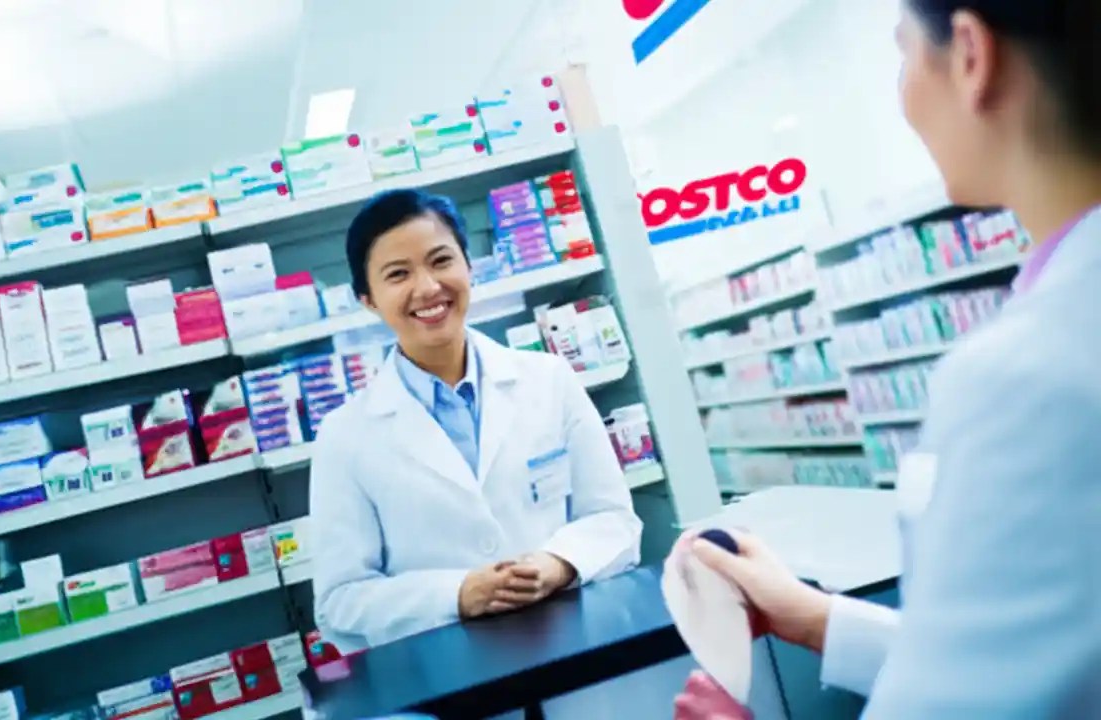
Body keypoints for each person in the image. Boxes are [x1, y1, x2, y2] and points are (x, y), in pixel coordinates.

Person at [675, 0, 1101, 717]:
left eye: (903, 54)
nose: (902, 96)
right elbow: (1023, 649)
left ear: (971, 55)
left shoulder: (1030, 371)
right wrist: (817, 618)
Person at [309, 188, 643, 652]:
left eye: (441, 260)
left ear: (468, 265)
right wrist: (458, 594)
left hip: (575, 649)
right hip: (451, 674)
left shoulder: (548, 379)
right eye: (398, 274)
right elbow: (340, 601)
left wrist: (557, 564)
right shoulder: (344, 436)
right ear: (368, 299)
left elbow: (612, 518)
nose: (427, 287)